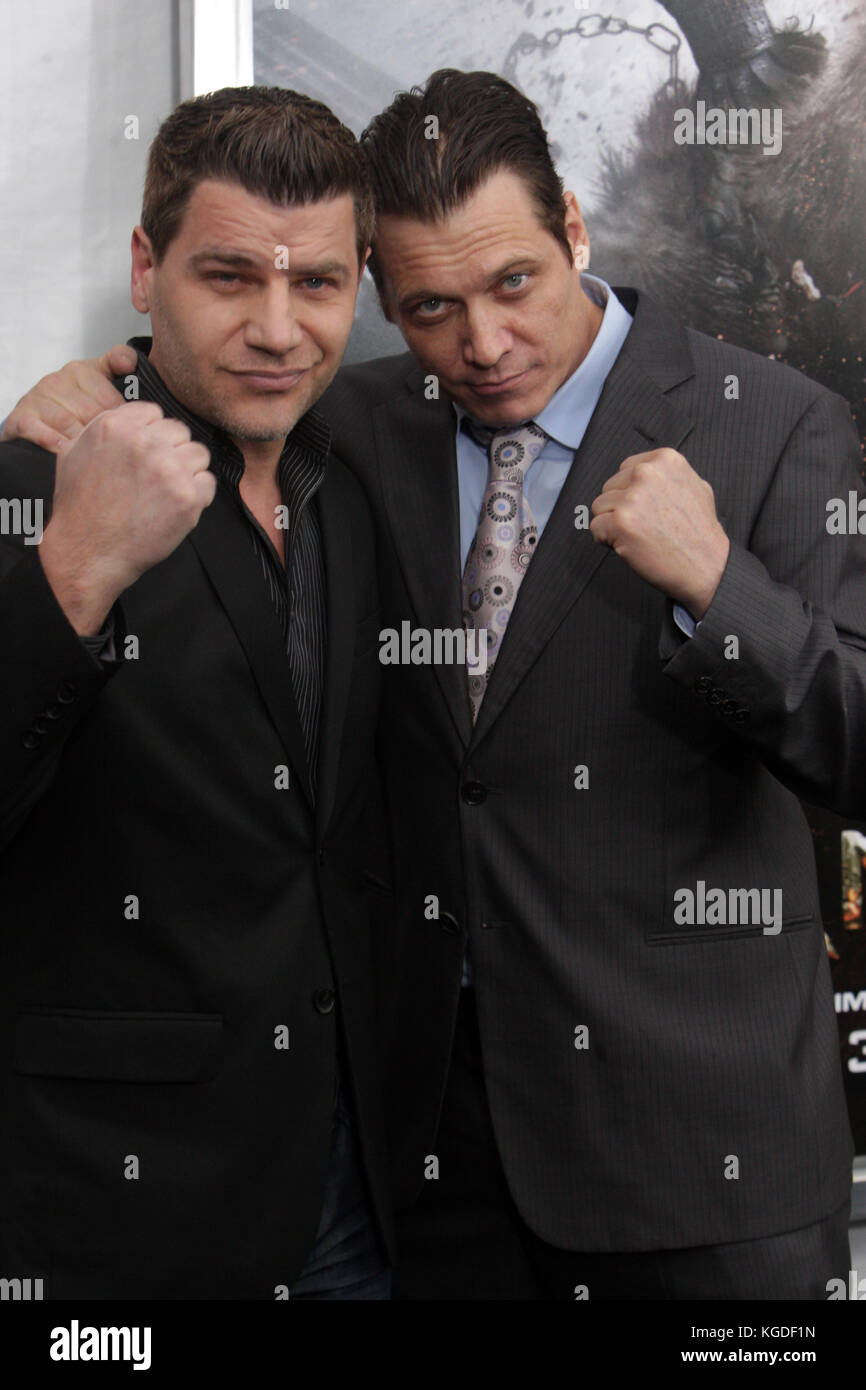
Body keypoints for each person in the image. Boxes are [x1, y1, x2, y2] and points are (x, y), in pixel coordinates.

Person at [7, 68, 866, 1301]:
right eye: (425, 306)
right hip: (432, 1171)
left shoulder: (774, 424)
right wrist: (91, 384)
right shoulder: (360, 423)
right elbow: (219, 371)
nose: (482, 344)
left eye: (513, 281)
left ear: (571, 226)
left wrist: (719, 588)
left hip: (701, 1164)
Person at [0, 86, 395, 1299]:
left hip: (360, 1189)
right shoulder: (35, 478)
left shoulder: (362, 474)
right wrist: (74, 571)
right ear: (144, 265)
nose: (278, 330)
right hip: (122, 1210)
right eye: (229, 277)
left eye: (317, 285)